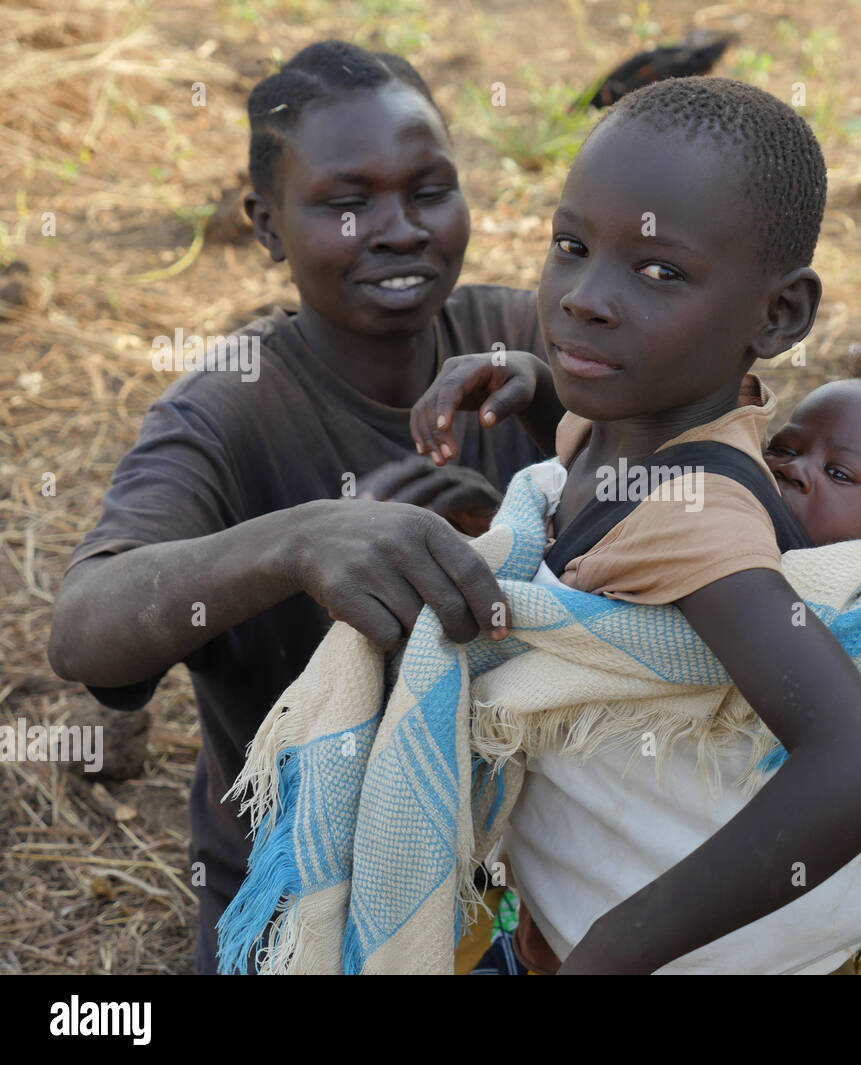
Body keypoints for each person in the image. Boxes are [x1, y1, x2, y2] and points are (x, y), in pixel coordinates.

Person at [45, 40, 563, 974]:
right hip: (303, 896)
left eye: (430, 189)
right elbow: (86, 629)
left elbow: (708, 472)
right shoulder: (231, 409)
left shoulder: (518, 343)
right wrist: (299, 542)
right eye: (347, 202)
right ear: (268, 224)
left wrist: (557, 402)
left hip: (516, 876)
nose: (400, 227)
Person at [412, 75, 861, 975]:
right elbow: (598, 501)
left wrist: (614, 950)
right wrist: (537, 393)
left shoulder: (696, 517)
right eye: (571, 246)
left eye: (659, 271)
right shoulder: (628, 417)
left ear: (778, 315)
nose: (584, 297)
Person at [428, 346, 861, 973]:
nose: (796, 471)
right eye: (785, 449)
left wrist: (617, 947)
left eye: (840, 474)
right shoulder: (723, 521)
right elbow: (622, 479)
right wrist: (546, 394)